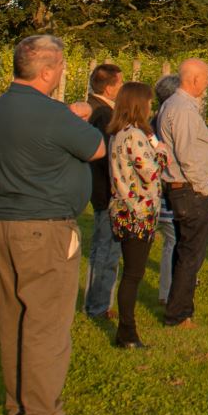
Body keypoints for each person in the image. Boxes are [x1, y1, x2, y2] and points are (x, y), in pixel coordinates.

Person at [0, 34, 106, 415]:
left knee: (14, 316)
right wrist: (78, 115)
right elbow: (95, 149)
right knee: (47, 322)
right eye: (60, 67)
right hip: (45, 227)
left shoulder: (0, 107)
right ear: (48, 71)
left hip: (5, 221)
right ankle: (41, 413)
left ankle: (18, 401)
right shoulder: (52, 113)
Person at [156, 58, 208, 327]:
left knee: (185, 251)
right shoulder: (181, 109)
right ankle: (179, 313)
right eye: (206, 78)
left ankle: (177, 305)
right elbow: (186, 155)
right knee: (190, 254)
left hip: (185, 188)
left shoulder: (177, 106)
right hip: (190, 189)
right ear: (194, 79)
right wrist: (203, 188)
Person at [106, 81, 164, 349]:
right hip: (138, 210)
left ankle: (126, 330)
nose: (151, 106)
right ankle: (127, 332)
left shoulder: (117, 133)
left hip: (122, 206)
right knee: (133, 273)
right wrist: (161, 154)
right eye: (149, 102)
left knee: (131, 271)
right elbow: (150, 171)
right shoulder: (135, 136)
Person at [83, 63, 124, 322]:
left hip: (99, 189)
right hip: (107, 191)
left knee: (101, 247)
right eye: (120, 83)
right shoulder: (103, 116)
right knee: (107, 250)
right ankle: (98, 305)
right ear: (109, 88)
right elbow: (110, 158)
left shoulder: (95, 109)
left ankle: (94, 302)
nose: (122, 87)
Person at [152, 74, 180, 305]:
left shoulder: (155, 119)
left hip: (159, 191)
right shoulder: (169, 120)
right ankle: (168, 290)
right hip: (165, 191)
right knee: (173, 240)